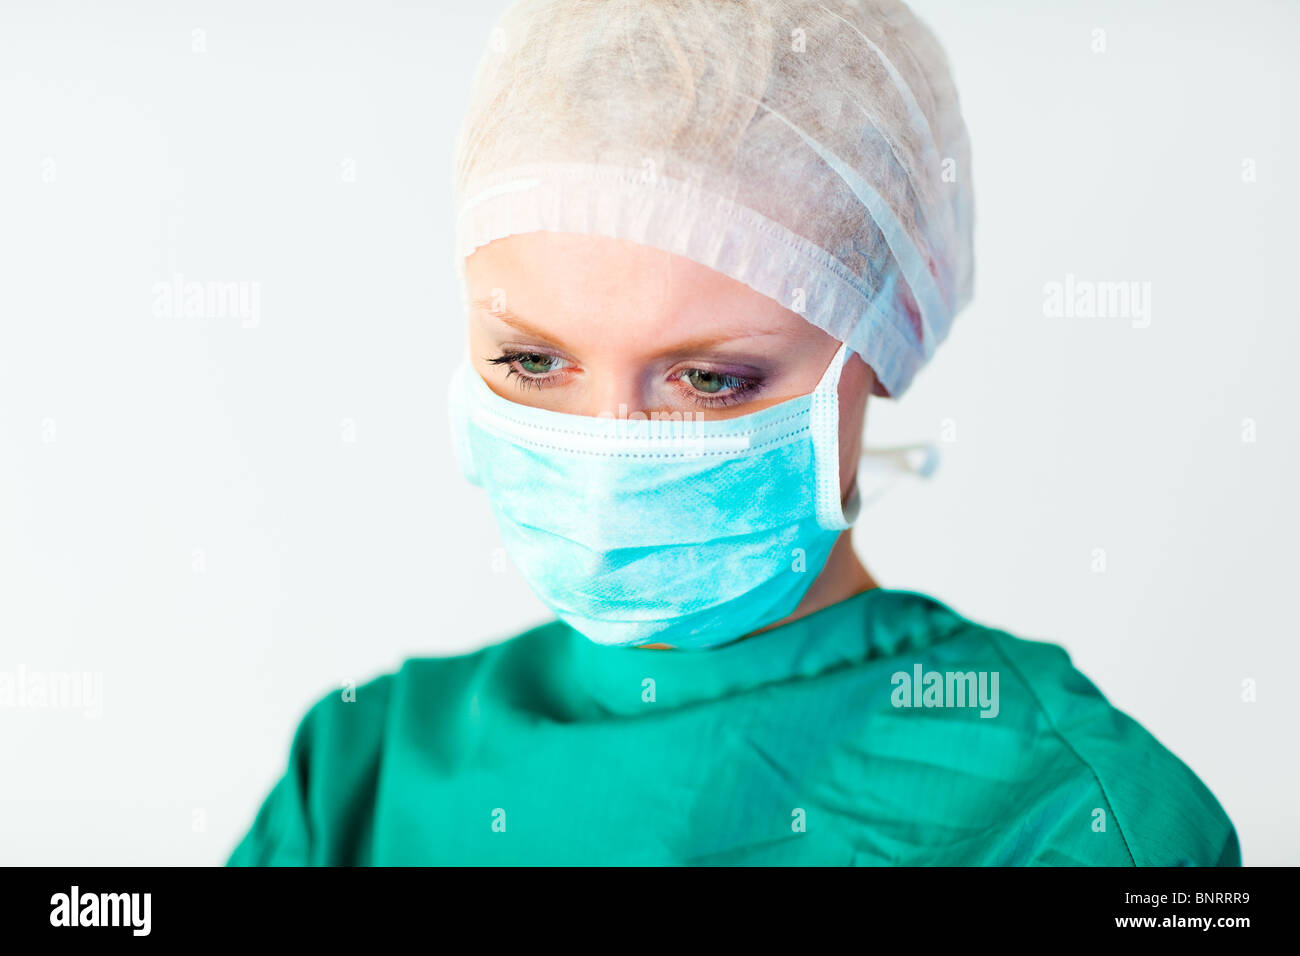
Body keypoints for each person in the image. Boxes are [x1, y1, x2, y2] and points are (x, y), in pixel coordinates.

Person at [228, 0, 1239, 865]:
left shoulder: (1075, 819)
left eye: (708, 379)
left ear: (884, 342)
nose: (606, 451)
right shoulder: (361, 779)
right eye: (533, 361)